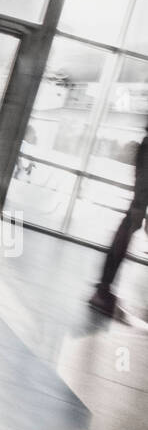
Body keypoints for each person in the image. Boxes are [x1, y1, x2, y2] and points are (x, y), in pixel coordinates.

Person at [89, 127, 148, 316]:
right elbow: (144, 180)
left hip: (139, 200)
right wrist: (140, 206)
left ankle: (103, 289)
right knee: (124, 235)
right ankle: (103, 290)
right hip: (139, 200)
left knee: (125, 233)